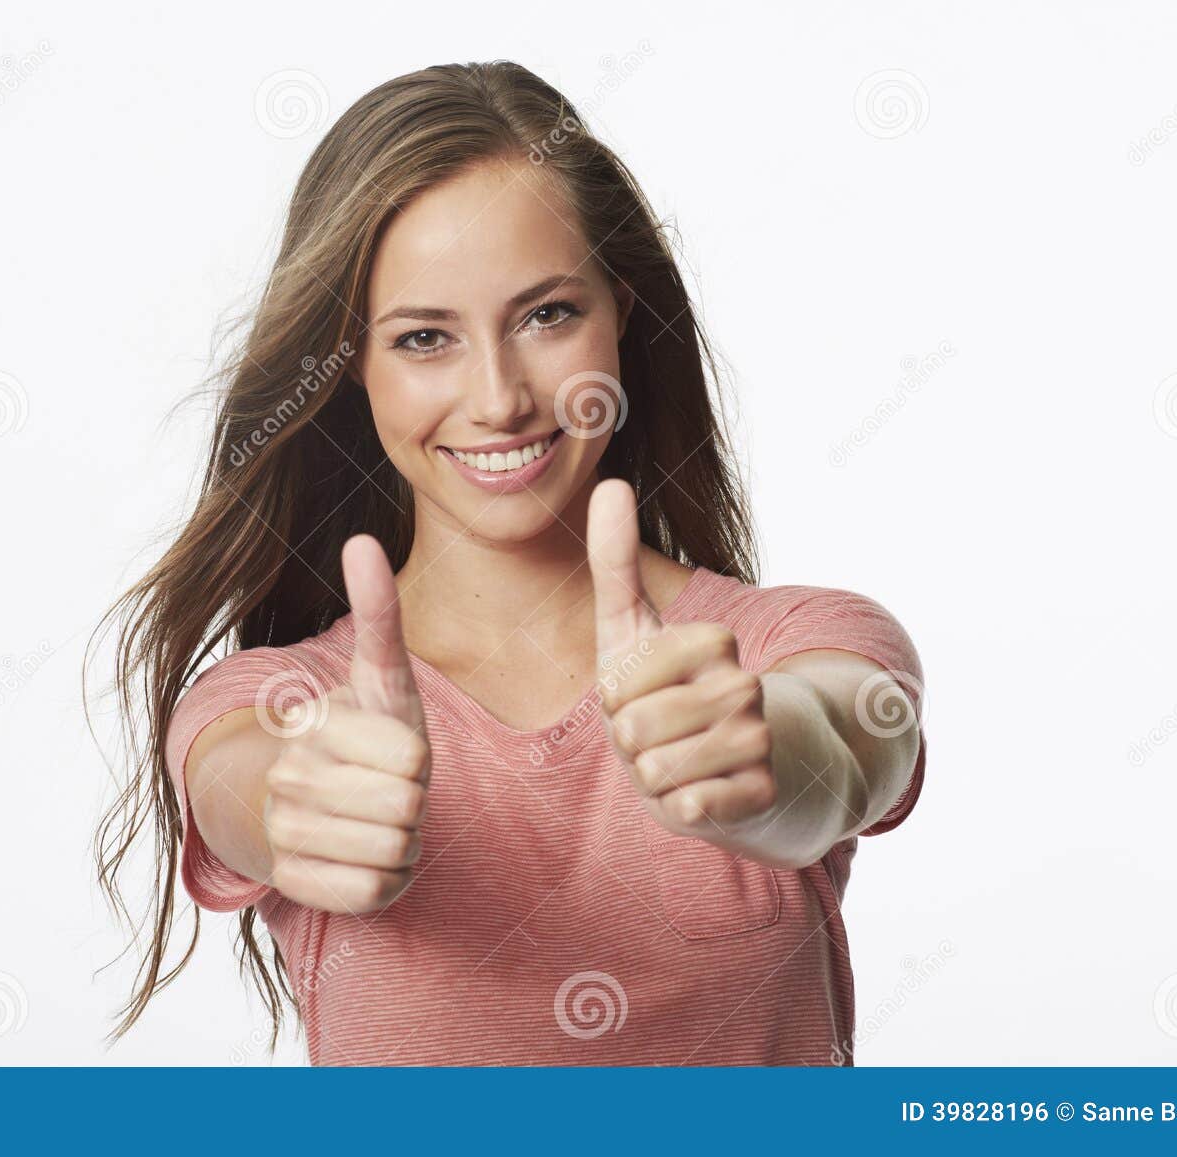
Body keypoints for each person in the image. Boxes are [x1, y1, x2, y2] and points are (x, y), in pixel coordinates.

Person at [92, 60, 925, 1066]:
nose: (498, 399)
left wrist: (772, 763)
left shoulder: (797, 642)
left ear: (621, 315)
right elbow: (241, 782)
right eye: (423, 337)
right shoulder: (277, 698)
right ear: (353, 364)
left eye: (546, 316)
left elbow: (842, 749)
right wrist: (294, 803)